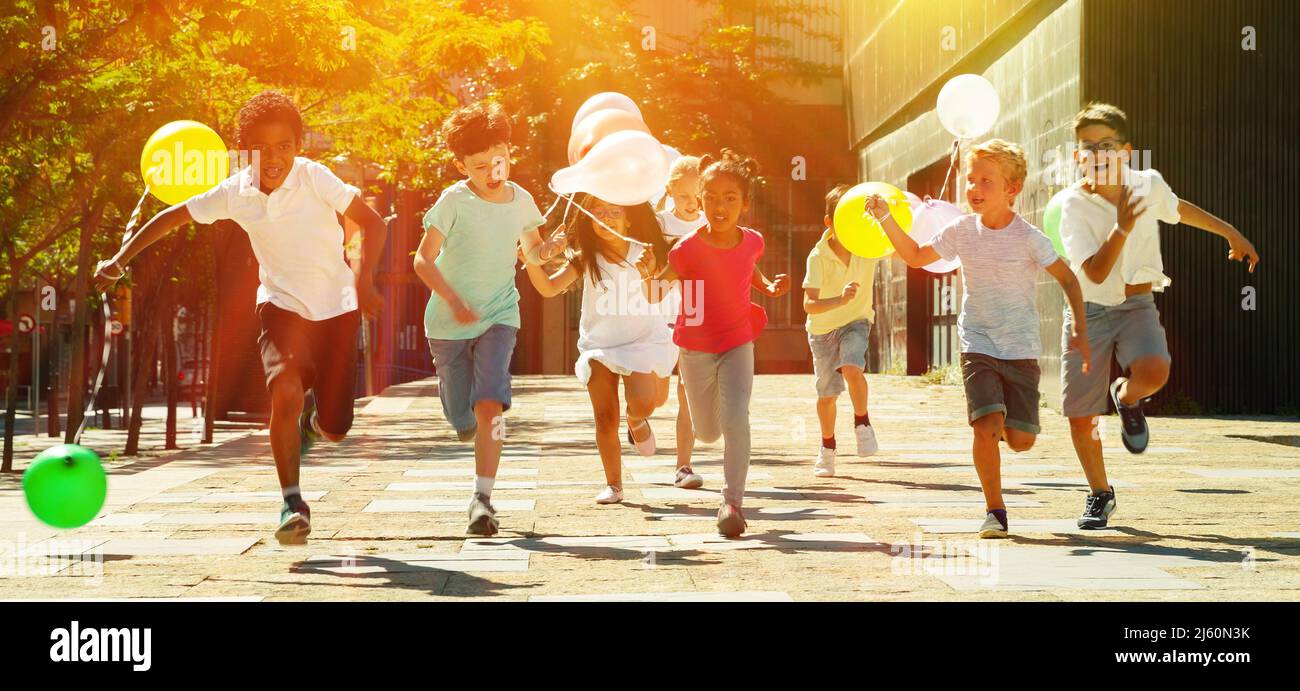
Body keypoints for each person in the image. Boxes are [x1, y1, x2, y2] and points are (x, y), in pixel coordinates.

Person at [94, 90, 388, 545]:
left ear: (298, 145)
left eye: (285, 147)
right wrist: (118, 259)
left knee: (335, 428)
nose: (275, 158)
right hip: (281, 306)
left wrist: (365, 280)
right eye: (263, 148)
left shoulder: (314, 177)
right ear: (246, 149)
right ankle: (292, 501)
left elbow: (373, 223)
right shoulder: (237, 191)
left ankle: (312, 424)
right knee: (285, 389)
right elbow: (172, 218)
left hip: (337, 311)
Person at [870, 138, 1091, 539]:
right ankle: (995, 510)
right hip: (978, 343)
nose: (974, 188)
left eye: (986, 181)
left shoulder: (1029, 237)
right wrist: (887, 218)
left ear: (1012, 189)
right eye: (971, 180)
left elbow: (1069, 279)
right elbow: (918, 256)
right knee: (983, 426)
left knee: (1021, 441)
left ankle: (1006, 423)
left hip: (1020, 348)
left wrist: (1079, 328)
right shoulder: (961, 231)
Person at [1057, 102, 1260, 528]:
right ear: (1078, 156)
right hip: (1089, 310)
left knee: (1155, 371)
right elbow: (1093, 271)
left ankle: (1127, 397)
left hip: (1137, 304)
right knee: (1080, 415)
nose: (1097, 153)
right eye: (1088, 147)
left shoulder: (1148, 185)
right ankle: (1099, 494)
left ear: (1126, 151)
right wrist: (1123, 227)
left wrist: (1231, 232)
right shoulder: (1072, 206)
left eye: (1107, 145)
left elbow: (1178, 208)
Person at [412, 101, 563, 536]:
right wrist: (454, 301)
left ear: (510, 152)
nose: (492, 173)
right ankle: (464, 421)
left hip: (500, 313)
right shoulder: (453, 201)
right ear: (461, 165)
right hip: (447, 324)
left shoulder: (523, 201)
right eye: (479, 167)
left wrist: (553, 249)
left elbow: (532, 253)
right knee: (463, 417)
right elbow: (422, 261)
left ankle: (483, 499)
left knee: (490, 403)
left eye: (498, 161)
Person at [643, 149, 791, 537]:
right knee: (708, 431)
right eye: (710, 197)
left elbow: (748, 265)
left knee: (736, 418)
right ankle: (713, 451)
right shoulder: (687, 248)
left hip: (739, 340)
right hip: (695, 346)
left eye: (729, 198)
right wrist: (647, 276)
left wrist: (768, 286)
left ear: (745, 204)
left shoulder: (753, 241)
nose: (719, 206)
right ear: (700, 198)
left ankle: (732, 503)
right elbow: (658, 291)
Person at [523, 195, 676, 503]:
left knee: (646, 404)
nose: (606, 218)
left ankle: (635, 421)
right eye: (598, 213)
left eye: (614, 211)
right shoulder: (585, 258)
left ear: (628, 219)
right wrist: (530, 259)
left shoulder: (646, 253)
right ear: (589, 222)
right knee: (605, 417)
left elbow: (658, 295)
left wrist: (650, 274)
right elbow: (549, 288)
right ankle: (614, 485)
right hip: (600, 345)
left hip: (643, 340)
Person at [802, 184, 881, 478]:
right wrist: (839, 299)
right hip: (822, 331)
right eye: (842, 220)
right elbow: (809, 304)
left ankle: (862, 422)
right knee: (827, 395)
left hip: (856, 320)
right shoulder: (818, 256)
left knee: (852, 367)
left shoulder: (868, 245)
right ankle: (827, 447)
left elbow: (901, 249)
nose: (850, 228)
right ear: (829, 223)